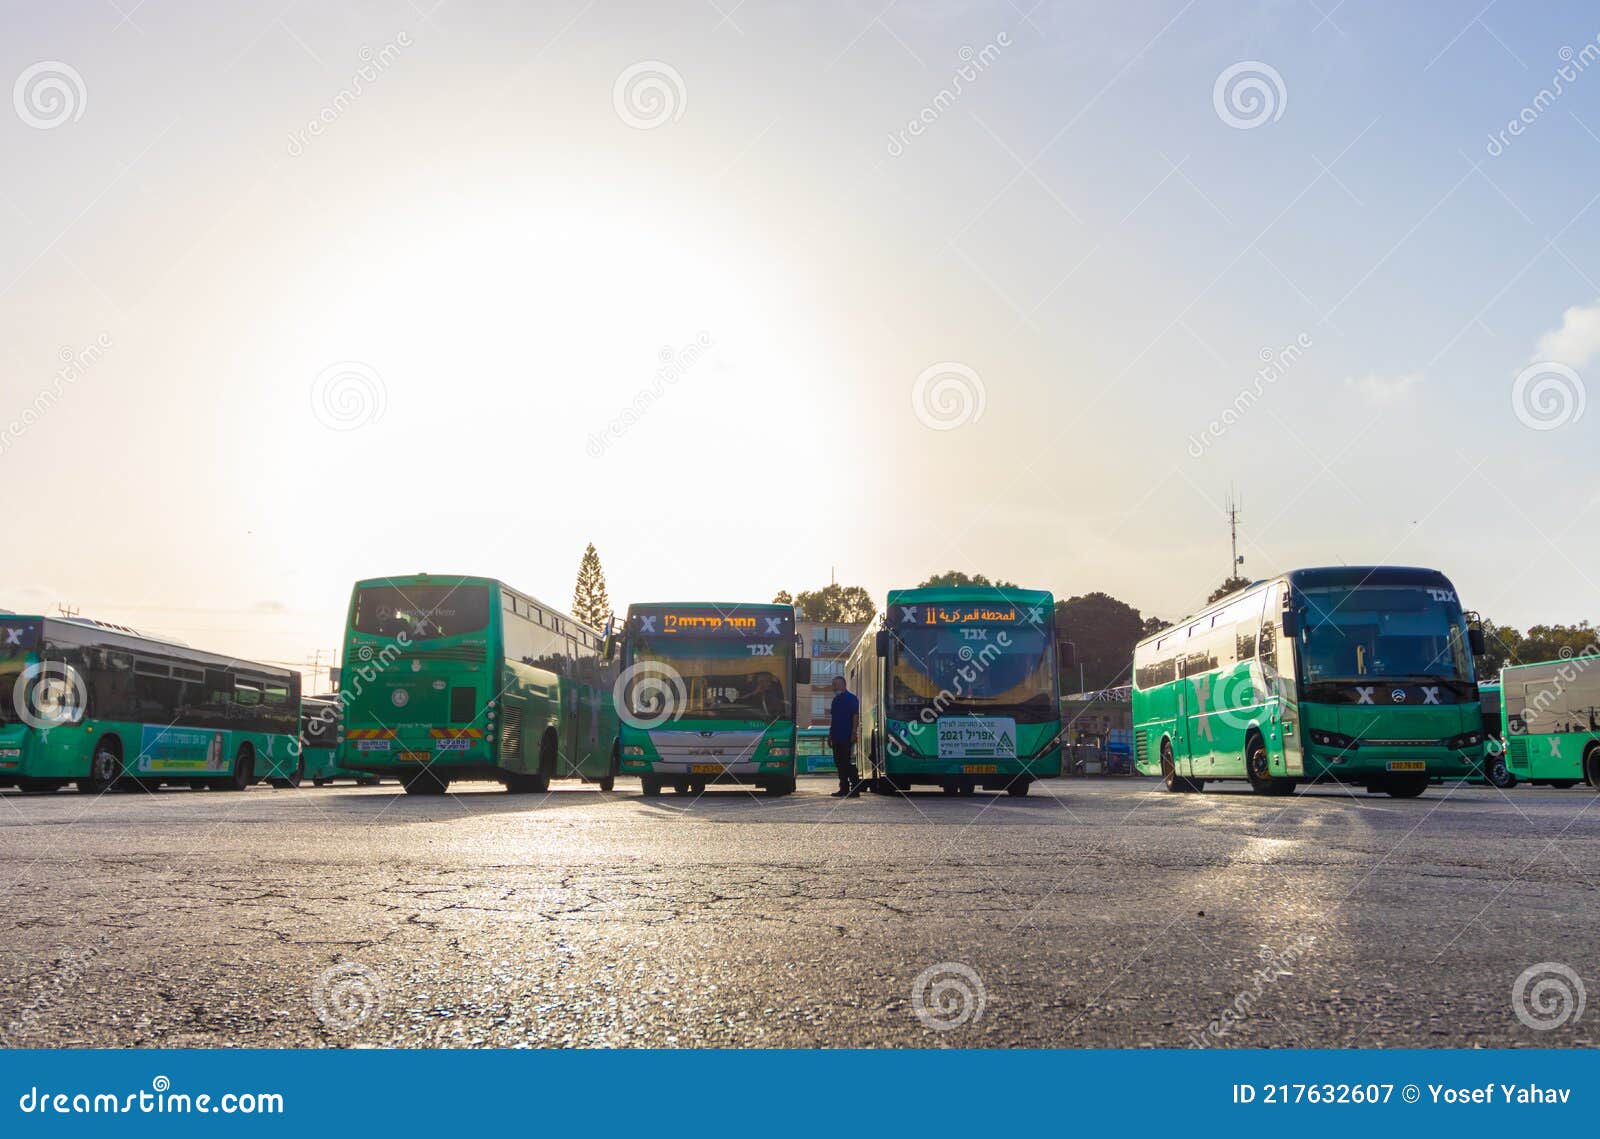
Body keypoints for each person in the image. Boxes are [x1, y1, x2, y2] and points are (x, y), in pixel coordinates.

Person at [828, 675, 861, 797]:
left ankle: (855, 788)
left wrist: (854, 732)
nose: (833, 686)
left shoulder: (851, 698)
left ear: (843, 684)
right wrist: (830, 735)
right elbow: (834, 720)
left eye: (835, 684)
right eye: (833, 684)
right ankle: (843, 788)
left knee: (846, 763)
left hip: (847, 736)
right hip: (836, 736)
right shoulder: (835, 700)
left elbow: (855, 716)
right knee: (839, 763)